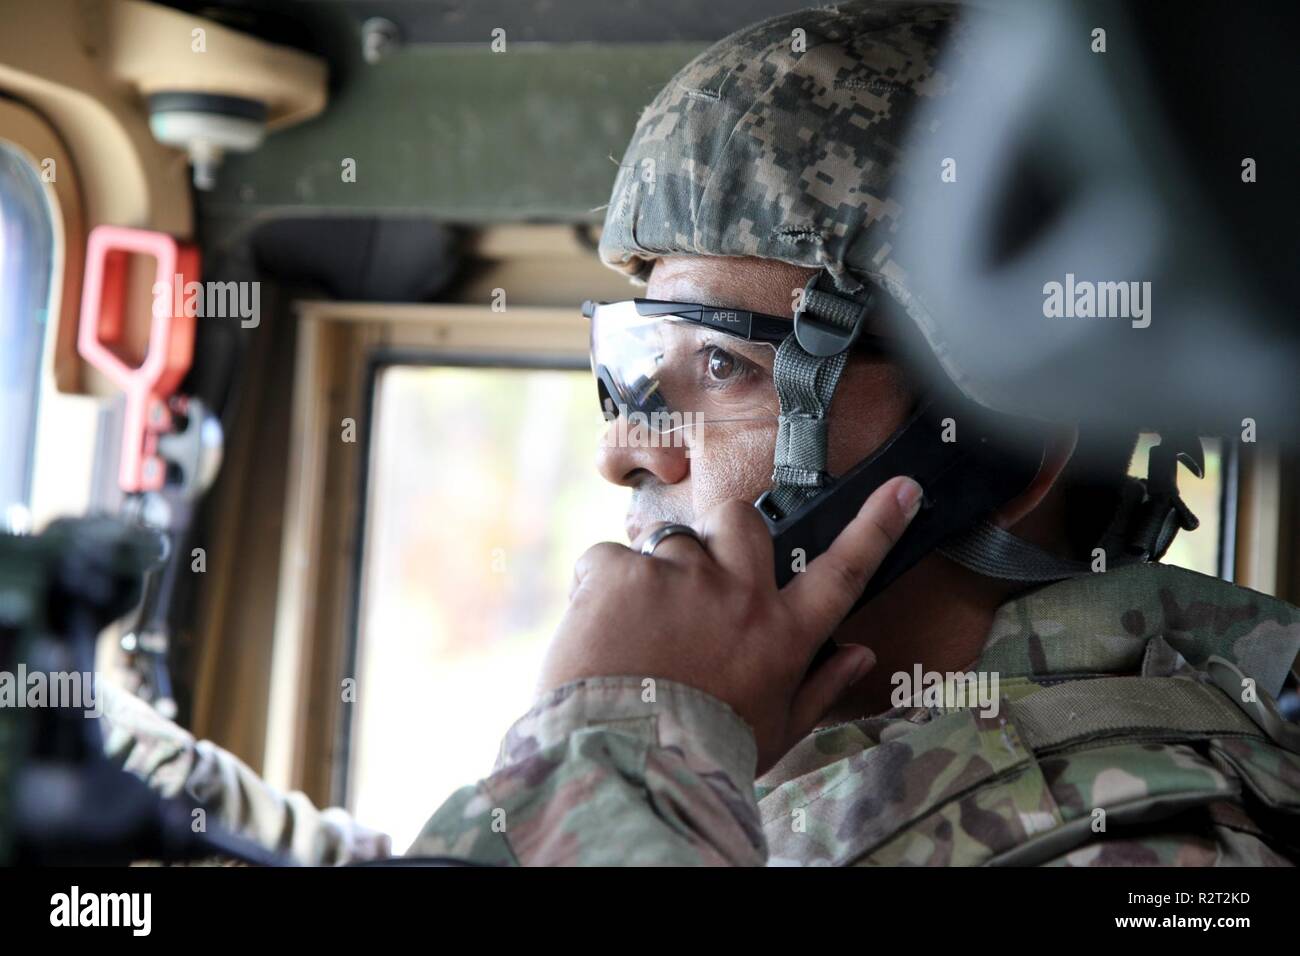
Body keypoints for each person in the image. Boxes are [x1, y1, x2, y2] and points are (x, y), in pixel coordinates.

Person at [405, 0, 1300, 866]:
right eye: (637, 360)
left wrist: (616, 745)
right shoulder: (811, 770)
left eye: (723, 365)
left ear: (1000, 449)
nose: (623, 450)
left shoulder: (1136, 845)